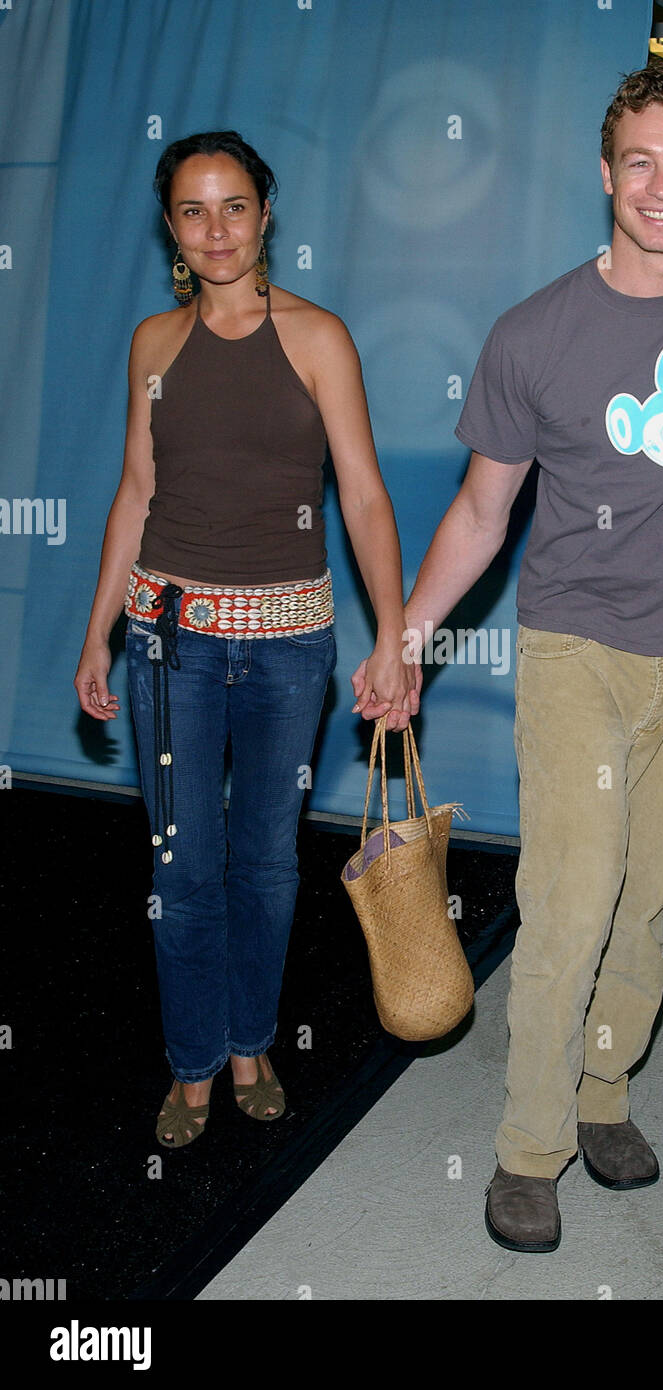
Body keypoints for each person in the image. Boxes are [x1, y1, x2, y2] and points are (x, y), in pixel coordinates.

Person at [354, 58, 663, 1251]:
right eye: (639, 162)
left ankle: (604, 1092)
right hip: (575, 651)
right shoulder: (536, 334)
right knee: (568, 903)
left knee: (648, 900)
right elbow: (478, 513)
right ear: (601, 173)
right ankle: (528, 1149)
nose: (660, 187)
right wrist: (403, 637)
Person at [75, 131, 417, 1147]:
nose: (215, 228)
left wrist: (393, 638)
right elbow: (135, 494)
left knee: (267, 865)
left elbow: (360, 495)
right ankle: (191, 1064)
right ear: (170, 228)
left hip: (288, 650)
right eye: (192, 210)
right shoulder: (151, 343)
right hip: (168, 644)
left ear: (266, 215)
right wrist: (96, 635)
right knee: (181, 867)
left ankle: (250, 1044)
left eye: (233, 206)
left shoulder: (318, 338)